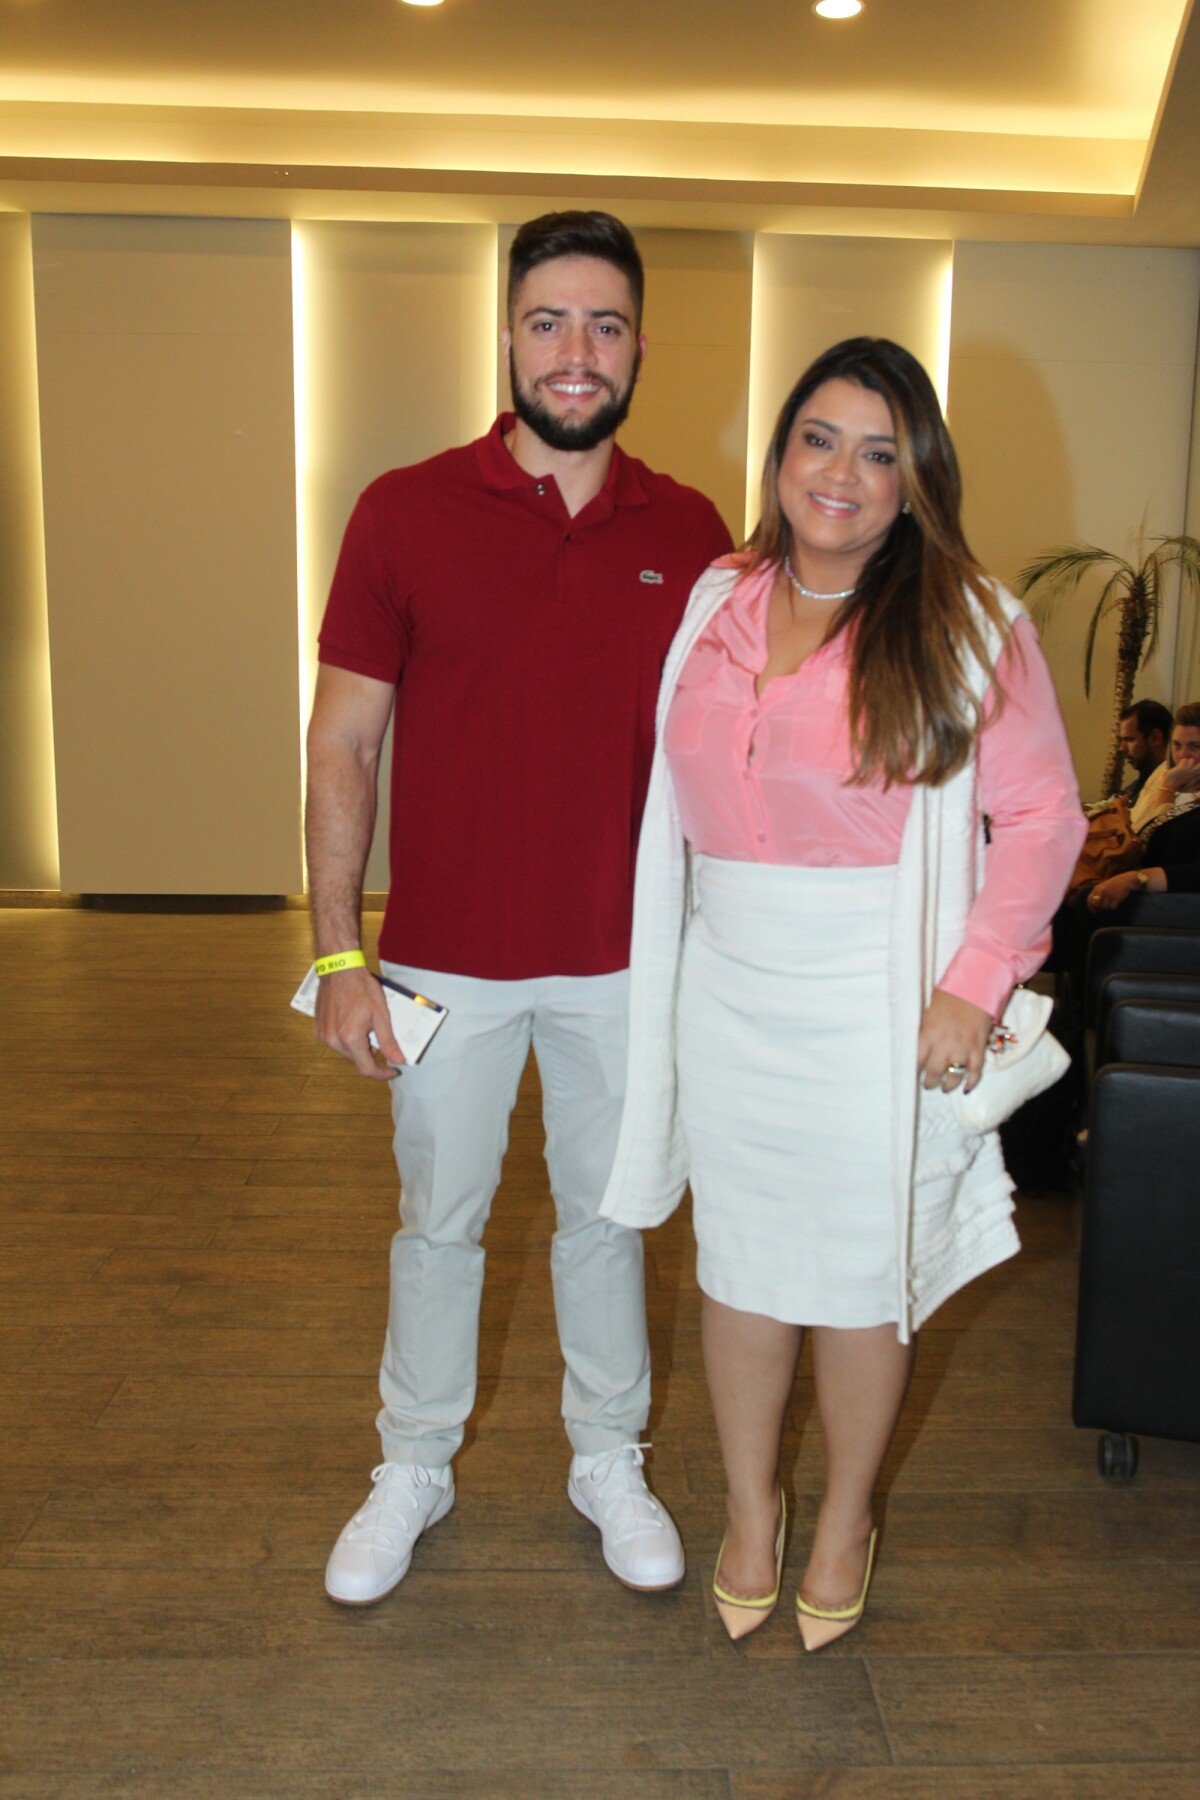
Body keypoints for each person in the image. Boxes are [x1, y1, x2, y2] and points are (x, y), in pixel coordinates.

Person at [599, 337, 1085, 1648]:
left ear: (917, 482)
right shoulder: (715, 600)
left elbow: (1042, 819)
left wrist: (974, 986)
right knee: (744, 1273)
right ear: (778, 455)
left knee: (867, 1277)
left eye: (883, 452)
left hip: (882, 1003)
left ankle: (842, 1519)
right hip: (729, 989)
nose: (844, 473)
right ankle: (751, 1510)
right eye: (820, 438)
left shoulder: (974, 625)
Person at [306, 210, 732, 1607]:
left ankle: (608, 1453)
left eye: (605, 324)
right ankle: (412, 1461)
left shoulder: (690, 531)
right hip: (438, 965)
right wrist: (337, 951)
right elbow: (343, 745)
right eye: (549, 320)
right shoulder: (404, 510)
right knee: (440, 1221)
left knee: (611, 1221)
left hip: (623, 968)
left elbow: (726, 758)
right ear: (507, 334)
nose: (576, 350)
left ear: (638, 348)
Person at [1087, 703, 1200, 908]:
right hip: (1139, 887)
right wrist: (1169, 787)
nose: (1183, 755)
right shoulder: (1175, 787)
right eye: (1176, 745)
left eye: (1194, 746)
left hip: (1171, 903)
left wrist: (1137, 879)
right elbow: (1154, 831)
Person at [1116, 699, 1173, 817]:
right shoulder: (1143, 780)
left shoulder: (1166, 787)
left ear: (1155, 738)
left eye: (1129, 740)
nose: (1122, 748)